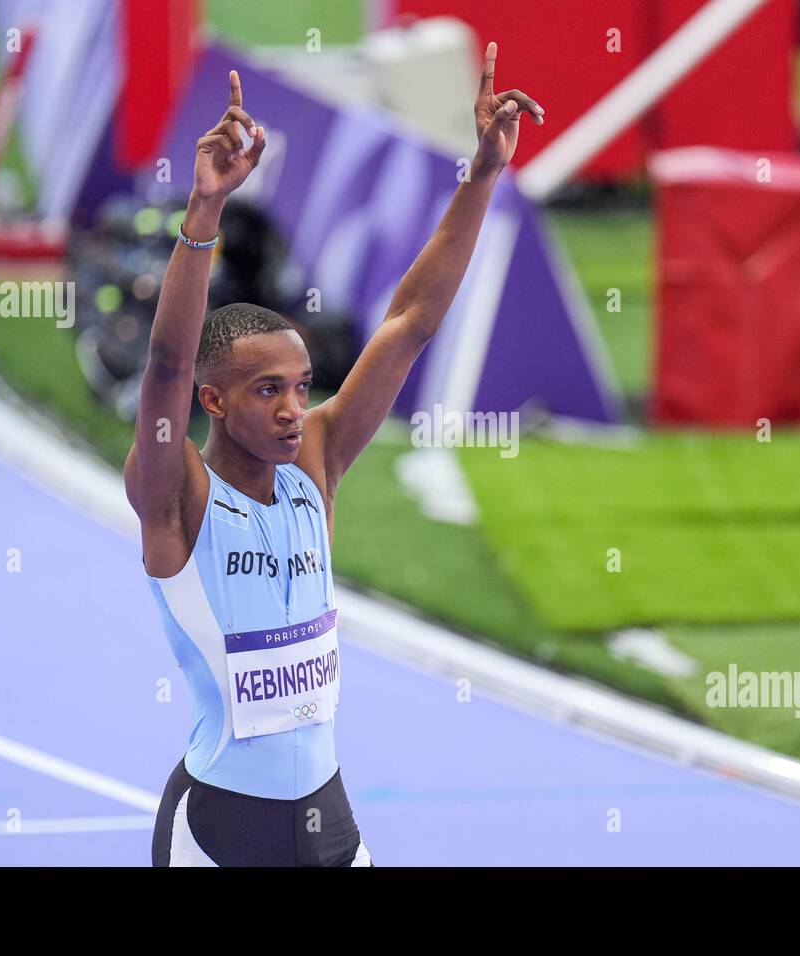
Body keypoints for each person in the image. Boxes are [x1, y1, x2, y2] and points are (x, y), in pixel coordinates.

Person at [127, 43, 543, 867]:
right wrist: (203, 214)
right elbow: (168, 365)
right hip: (218, 829)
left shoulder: (315, 461)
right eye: (266, 391)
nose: (293, 410)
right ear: (212, 402)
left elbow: (411, 321)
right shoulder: (177, 495)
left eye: (301, 386)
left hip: (327, 821)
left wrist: (483, 174)